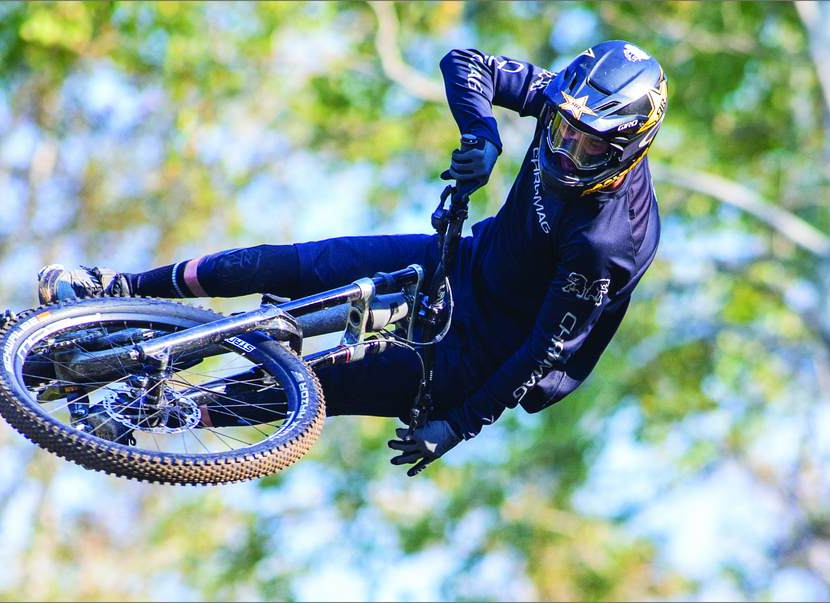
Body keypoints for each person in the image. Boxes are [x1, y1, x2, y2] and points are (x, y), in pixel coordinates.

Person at [37, 40, 667, 474]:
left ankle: (144, 412)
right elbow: (467, 62)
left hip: (482, 355)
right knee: (290, 265)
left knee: (315, 383)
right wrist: (481, 132)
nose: (565, 152)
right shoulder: (566, 103)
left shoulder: (607, 243)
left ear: (628, 150)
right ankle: (109, 287)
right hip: (462, 263)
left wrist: (458, 426)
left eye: (588, 149)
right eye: (559, 130)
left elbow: (541, 356)